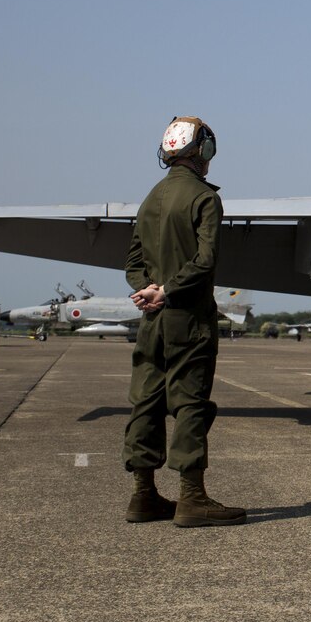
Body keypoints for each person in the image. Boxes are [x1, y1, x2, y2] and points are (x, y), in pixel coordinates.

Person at [122, 116, 246, 527]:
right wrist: (169, 290)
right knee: (190, 403)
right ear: (202, 151)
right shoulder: (204, 198)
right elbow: (205, 260)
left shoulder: (151, 198)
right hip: (188, 318)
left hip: (151, 321)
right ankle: (192, 498)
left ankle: (143, 496)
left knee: (146, 401)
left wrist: (147, 289)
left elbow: (133, 261)